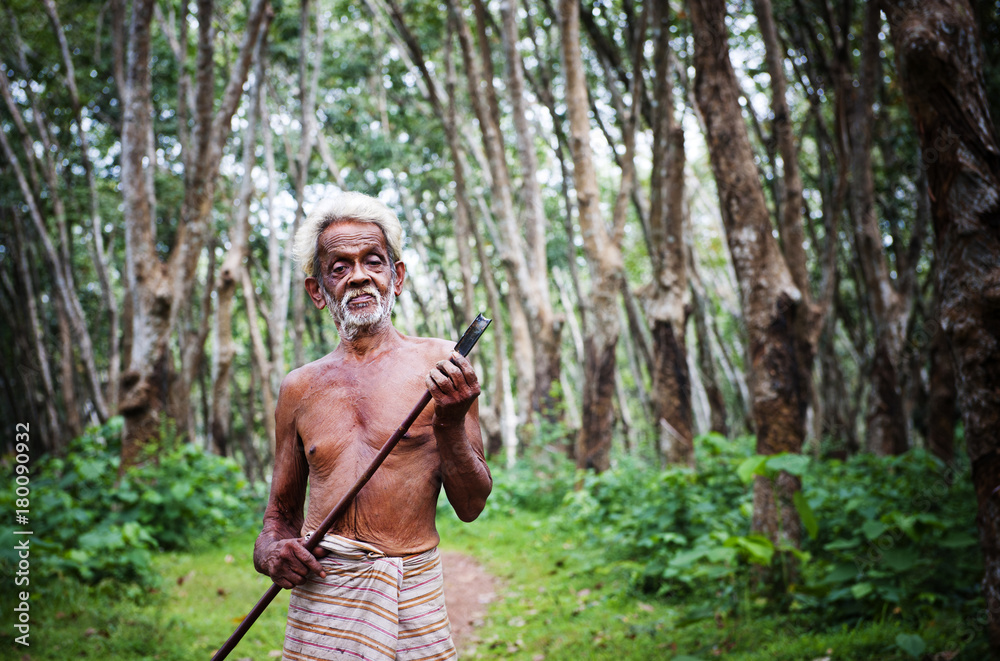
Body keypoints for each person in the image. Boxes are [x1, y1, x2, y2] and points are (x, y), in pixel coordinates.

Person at [253, 191, 492, 661]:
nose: (359, 275)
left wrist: (449, 423)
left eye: (373, 261)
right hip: (325, 598)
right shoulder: (298, 389)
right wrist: (271, 555)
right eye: (339, 267)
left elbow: (471, 504)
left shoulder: (443, 365)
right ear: (318, 290)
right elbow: (279, 519)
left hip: (411, 593)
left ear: (396, 277)